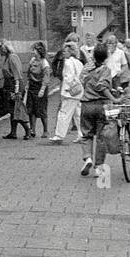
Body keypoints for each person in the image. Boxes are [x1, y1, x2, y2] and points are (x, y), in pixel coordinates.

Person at [78, 43, 117, 181]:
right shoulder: (105, 69)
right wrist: (114, 99)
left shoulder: (87, 68)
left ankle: (87, 158)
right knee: (101, 137)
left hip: (86, 105)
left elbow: (80, 81)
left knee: (86, 135)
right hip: (101, 105)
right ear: (106, 57)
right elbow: (102, 86)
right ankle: (98, 167)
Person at [50, 40, 84, 143]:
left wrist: (67, 88)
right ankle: (81, 134)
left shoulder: (68, 62)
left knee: (64, 113)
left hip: (70, 93)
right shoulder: (78, 62)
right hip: (79, 91)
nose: (63, 53)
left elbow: (68, 77)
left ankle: (59, 135)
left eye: (65, 51)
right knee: (77, 114)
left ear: (70, 52)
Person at [0, 40, 31, 140]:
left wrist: (16, 90)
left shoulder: (12, 57)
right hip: (10, 84)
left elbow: (17, 74)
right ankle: (13, 132)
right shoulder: (8, 57)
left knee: (17, 109)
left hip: (14, 85)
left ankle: (28, 131)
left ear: (4, 49)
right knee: (12, 110)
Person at [26, 41, 51, 138]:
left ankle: (45, 131)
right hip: (32, 86)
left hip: (40, 87)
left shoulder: (44, 63)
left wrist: (42, 89)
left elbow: (46, 77)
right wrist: (28, 84)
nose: (33, 52)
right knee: (31, 109)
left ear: (39, 52)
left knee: (41, 109)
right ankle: (32, 129)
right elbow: (29, 73)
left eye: (35, 50)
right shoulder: (32, 60)